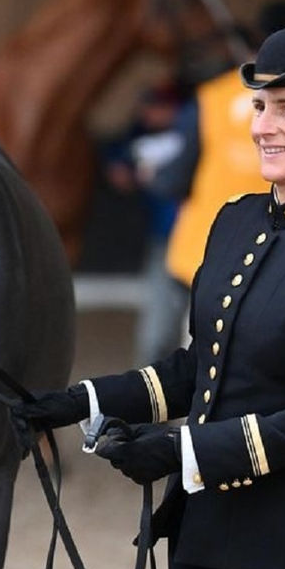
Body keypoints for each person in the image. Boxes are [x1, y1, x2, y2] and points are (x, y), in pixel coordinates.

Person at [14, 25, 285, 569]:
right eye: (261, 105)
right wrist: (81, 400)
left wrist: (179, 451)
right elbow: (201, 370)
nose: (264, 126)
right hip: (206, 538)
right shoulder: (234, 221)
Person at [162, 0, 285, 290]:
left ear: (255, 37)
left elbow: (174, 179)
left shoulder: (213, 97)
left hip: (205, 257)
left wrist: (152, 175)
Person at [100, 81, 194, 365]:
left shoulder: (193, 128)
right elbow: (117, 157)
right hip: (166, 238)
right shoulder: (139, 134)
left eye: (158, 106)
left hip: (202, 233)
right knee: (158, 327)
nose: (149, 113)